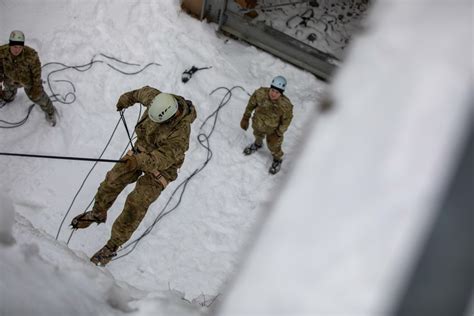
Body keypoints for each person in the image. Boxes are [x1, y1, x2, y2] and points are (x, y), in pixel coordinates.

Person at [71, 86, 197, 266]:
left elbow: (162, 159)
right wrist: (126, 99)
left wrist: (138, 161)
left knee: (136, 204)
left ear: (173, 115)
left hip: (162, 168)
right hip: (141, 152)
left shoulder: (181, 134)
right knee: (112, 180)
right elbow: (139, 93)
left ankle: (112, 246)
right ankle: (98, 213)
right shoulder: (157, 99)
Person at [0, 30, 56, 126]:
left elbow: (36, 72)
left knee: (38, 97)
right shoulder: (2, 52)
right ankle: (8, 99)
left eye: (20, 47)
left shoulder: (31, 55)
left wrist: (36, 86)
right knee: (8, 93)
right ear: (10, 45)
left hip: (27, 81)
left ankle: (50, 111)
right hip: (10, 79)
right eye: (14, 47)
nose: (17, 50)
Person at [240, 75, 294, 174]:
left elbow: (286, 122)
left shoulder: (285, 106)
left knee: (274, 146)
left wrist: (278, 133)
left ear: (281, 93)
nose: (273, 94)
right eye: (272, 90)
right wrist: (245, 117)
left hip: (273, 130)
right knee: (257, 135)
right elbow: (251, 105)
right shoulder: (260, 93)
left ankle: (277, 159)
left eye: (277, 92)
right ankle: (257, 144)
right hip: (258, 123)